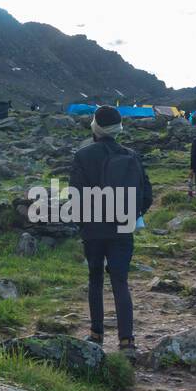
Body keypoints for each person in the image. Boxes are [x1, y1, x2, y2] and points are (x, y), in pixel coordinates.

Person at [69, 104, 153, 353]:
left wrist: (83, 223)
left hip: (93, 228)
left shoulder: (82, 155)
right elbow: (146, 195)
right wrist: (131, 215)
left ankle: (96, 335)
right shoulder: (131, 155)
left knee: (95, 279)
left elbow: (76, 196)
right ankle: (127, 342)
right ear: (118, 128)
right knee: (120, 282)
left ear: (95, 126)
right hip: (122, 228)